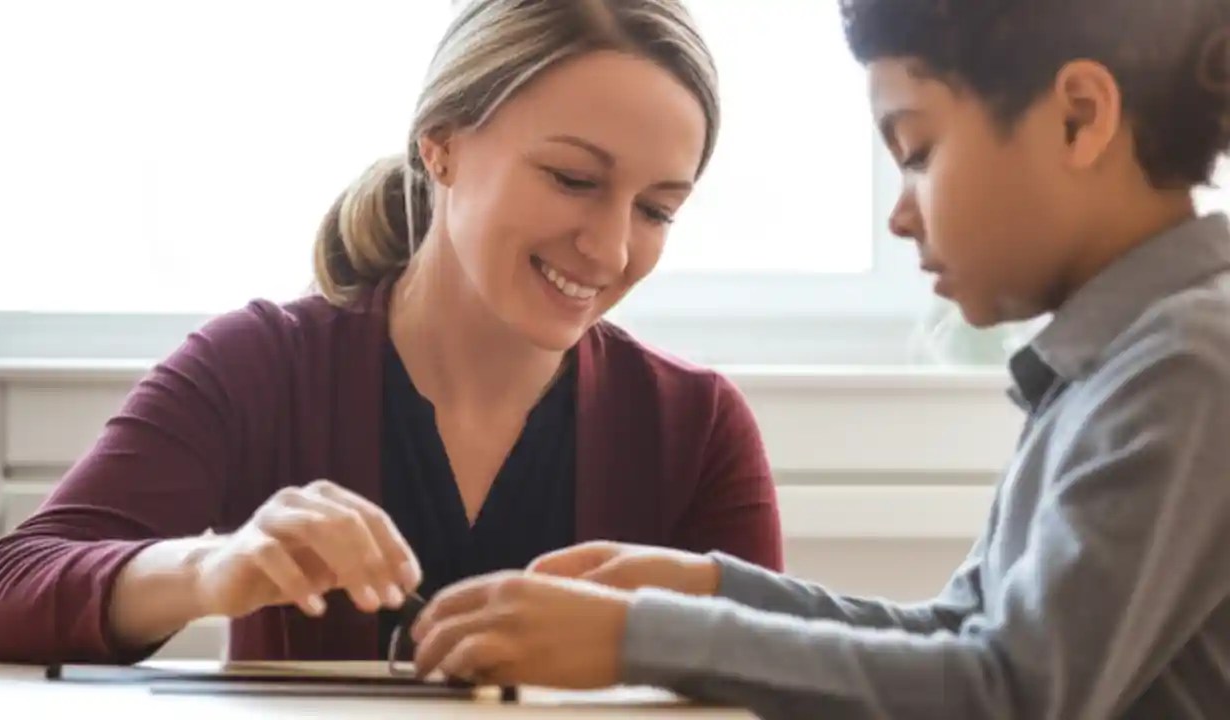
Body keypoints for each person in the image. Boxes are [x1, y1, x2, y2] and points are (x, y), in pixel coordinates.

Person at [405, 1, 1230, 717]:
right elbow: (959, 633)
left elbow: (1007, 692)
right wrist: (710, 590)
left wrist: (639, 639)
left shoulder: (1186, 367)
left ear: (1079, 117)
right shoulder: (1118, 367)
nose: (901, 217)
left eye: (918, 151)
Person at [0, 0, 785, 664]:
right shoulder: (262, 368)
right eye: (572, 179)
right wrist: (211, 567)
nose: (609, 248)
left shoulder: (697, 427)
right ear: (443, 147)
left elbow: (782, 674)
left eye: (656, 210)